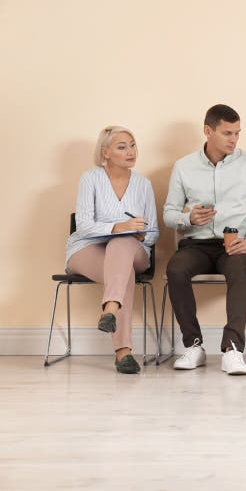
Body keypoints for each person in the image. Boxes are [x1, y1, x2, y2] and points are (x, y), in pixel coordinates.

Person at [163, 104, 246, 375]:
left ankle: (232, 349)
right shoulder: (183, 167)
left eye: (237, 133)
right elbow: (168, 213)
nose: (234, 139)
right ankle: (193, 346)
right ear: (207, 131)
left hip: (236, 244)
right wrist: (188, 218)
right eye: (227, 133)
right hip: (197, 245)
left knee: (238, 269)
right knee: (175, 269)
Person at [65, 125, 159, 374]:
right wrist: (120, 226)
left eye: (132, 145)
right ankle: (122, 352)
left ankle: (111, 309)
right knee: (122, 271)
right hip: (87, 249)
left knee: (123, 244)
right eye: (122, 147)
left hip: (134, 249)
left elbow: (154, 233)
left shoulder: (144, 184)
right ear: (105, 152)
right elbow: (83, 227)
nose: (131, 151)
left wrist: (139, 233)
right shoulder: (90, 179)